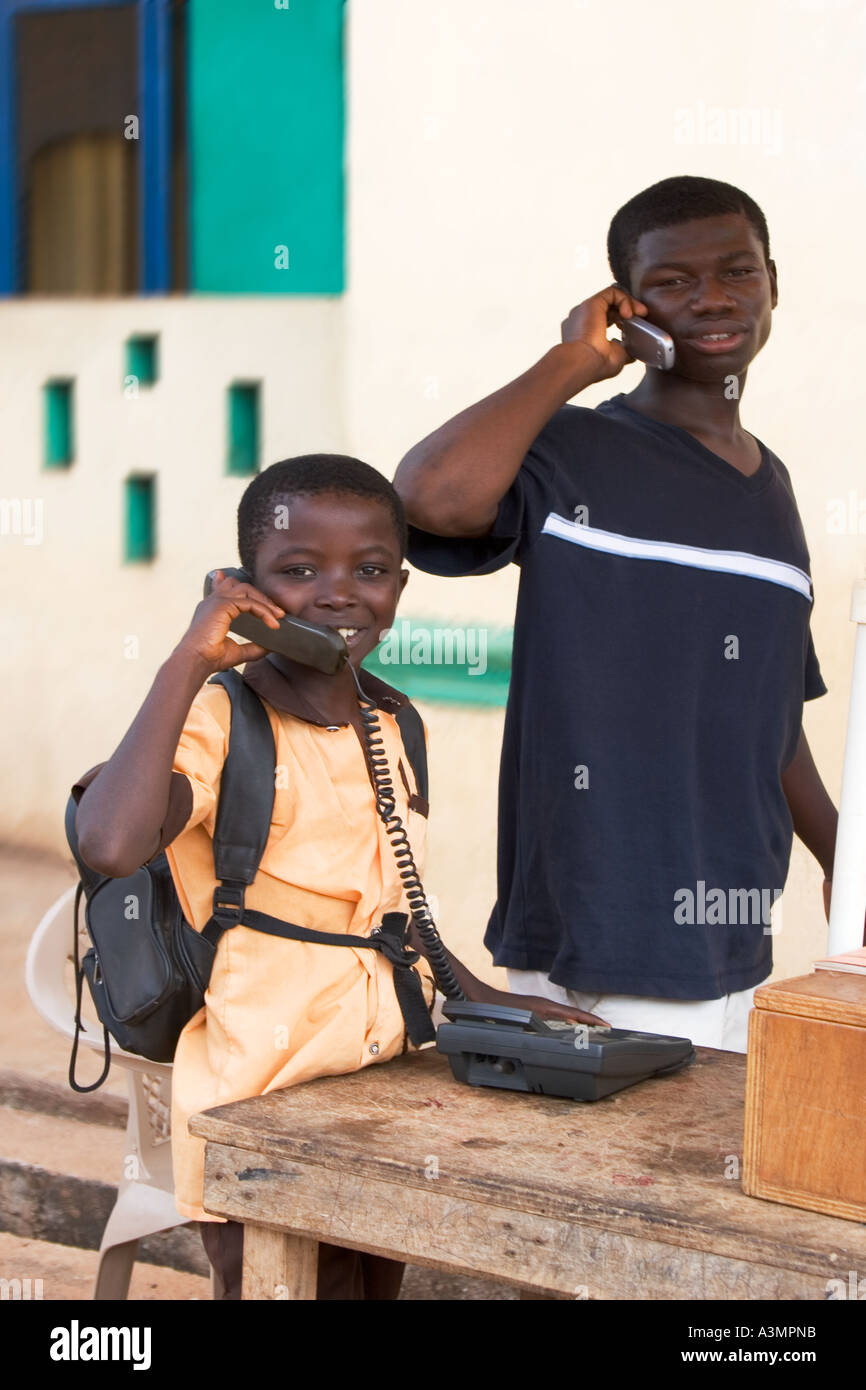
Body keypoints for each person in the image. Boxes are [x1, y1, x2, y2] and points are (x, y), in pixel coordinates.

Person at [72, 454, 605, 1300]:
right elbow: (109, 841)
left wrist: (496, 1000)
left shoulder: (393, 721)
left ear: (400, 582)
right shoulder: (221, 716)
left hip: (379, 1084)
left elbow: (395, 920)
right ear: (241, 588)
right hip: (257, 1099)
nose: (338, 593)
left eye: (369, 570)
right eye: (297, 571)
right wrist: (188, 659)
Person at [394, 175, 845, 1054]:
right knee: (595, 1185)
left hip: (736, 933)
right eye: (673, 283)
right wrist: (571, 363)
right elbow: (428, 498)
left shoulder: (775, 491)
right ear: (627, 308)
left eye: (737, 272)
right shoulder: (572, 453)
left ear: (772, 285)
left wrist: (843, 862)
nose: (713, 298)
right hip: (600, 925)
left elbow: (772, 717)